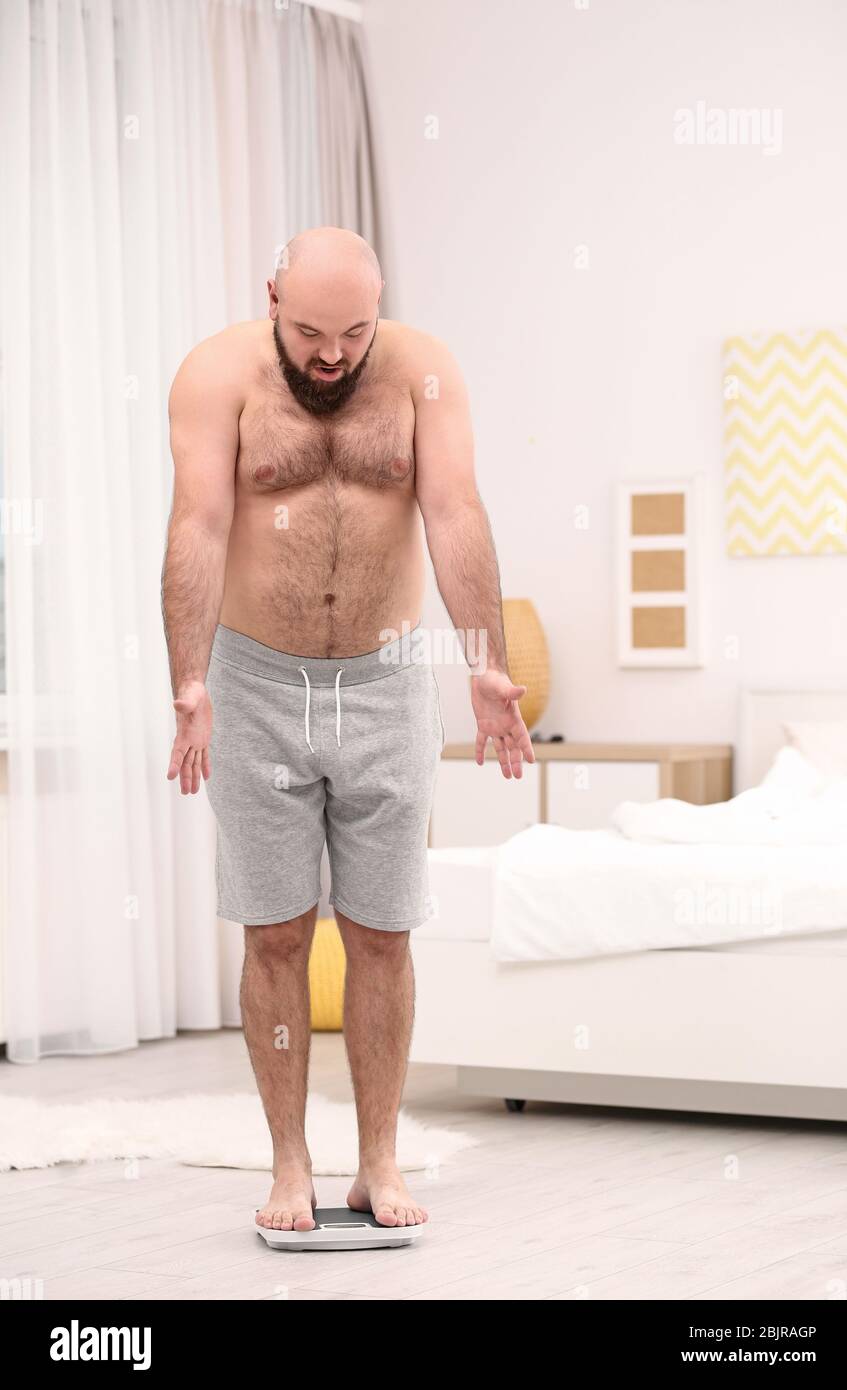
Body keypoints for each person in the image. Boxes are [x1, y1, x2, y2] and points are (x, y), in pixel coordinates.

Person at [161, 225, 534, 1233]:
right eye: (310, 331)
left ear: (381, 312)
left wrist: (484, 661)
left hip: (385, 680)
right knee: (275, 934)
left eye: (353, 333)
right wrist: (188, 679)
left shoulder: (423, 374)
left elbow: (453, 511)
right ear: (271, 294)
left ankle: (378, 1163)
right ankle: (289, 1166)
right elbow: (196, 523)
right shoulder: (215, 376)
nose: (331, 354)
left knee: (380, 934)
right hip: (257, 679)